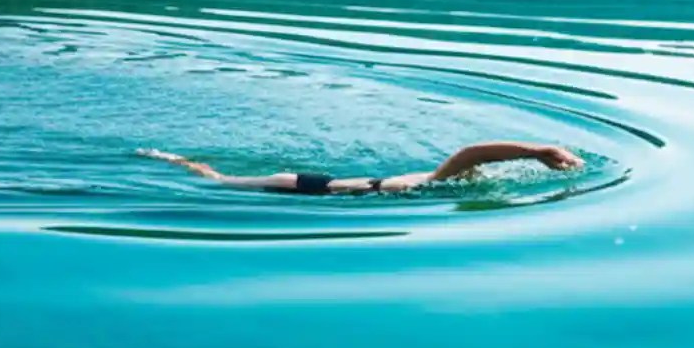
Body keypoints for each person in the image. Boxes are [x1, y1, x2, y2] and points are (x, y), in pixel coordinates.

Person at [136, 141, 584, 195]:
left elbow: (476, 159)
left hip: (322, 187)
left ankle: (170, 158)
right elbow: (471, 154)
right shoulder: (435, 183)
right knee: (220, 182)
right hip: (312, 189)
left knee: (222, 179)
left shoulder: (439, 185)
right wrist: (537, 150)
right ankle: (168, 158)